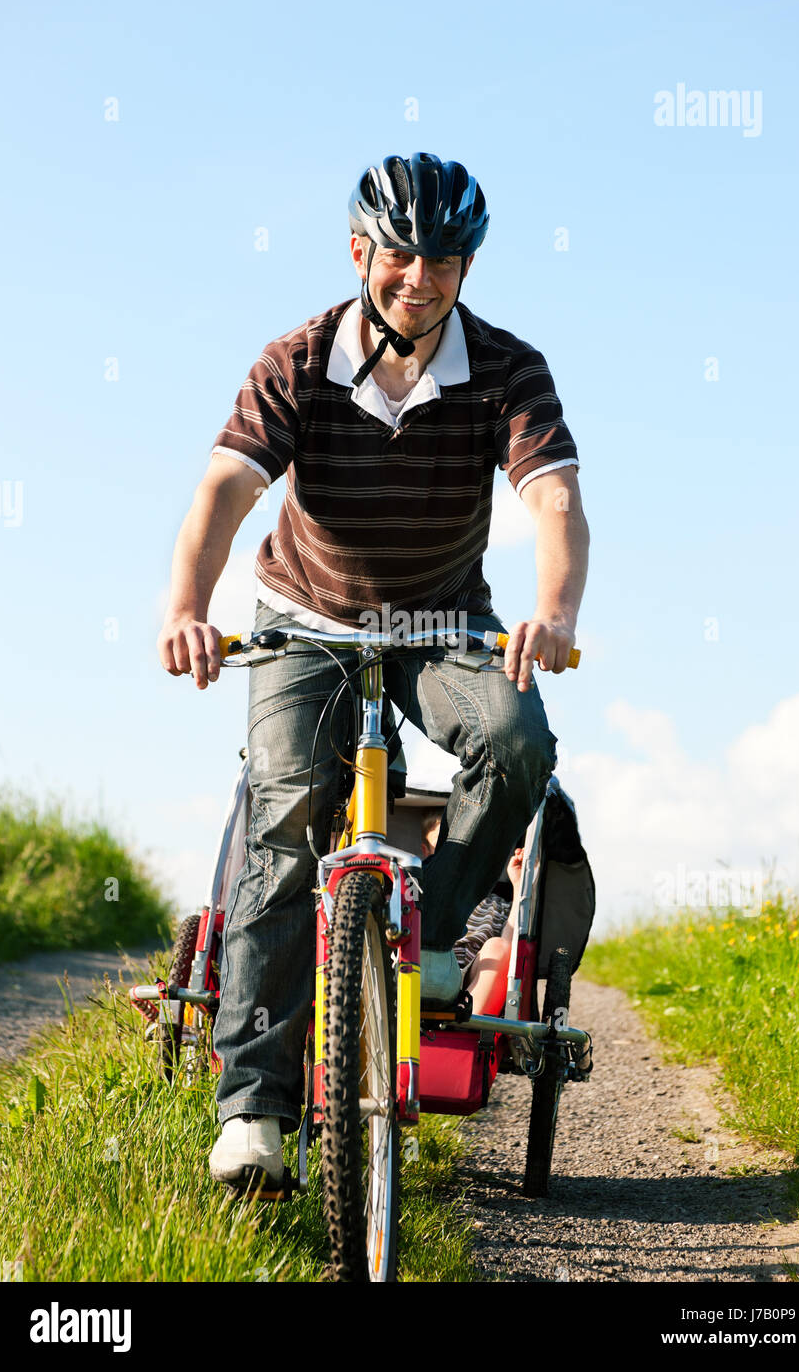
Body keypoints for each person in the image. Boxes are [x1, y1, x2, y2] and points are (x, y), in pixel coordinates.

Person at [156, 152, 590, 1190]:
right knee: (284, 811)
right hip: (305, 620)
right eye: (400, 252)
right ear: (361, 253)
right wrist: (185, 607)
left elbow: (555, 500)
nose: (421, 275)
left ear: (465, 266)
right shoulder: (298, 360)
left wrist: (556, 610)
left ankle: (428, 936)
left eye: (444, 257)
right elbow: (224, 490)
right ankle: (253, 1113)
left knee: (516, 741)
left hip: (442, 624)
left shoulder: (504, 369)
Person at [420, 809, 523, 1016]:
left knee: (499, 947)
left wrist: (519, 885)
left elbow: (510, 951)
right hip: (419, 969)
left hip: (470, 982)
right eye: (444, 847)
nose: (455, 857)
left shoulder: (495, 905)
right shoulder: (417, 892)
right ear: (426, 851)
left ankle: (467, 1022)